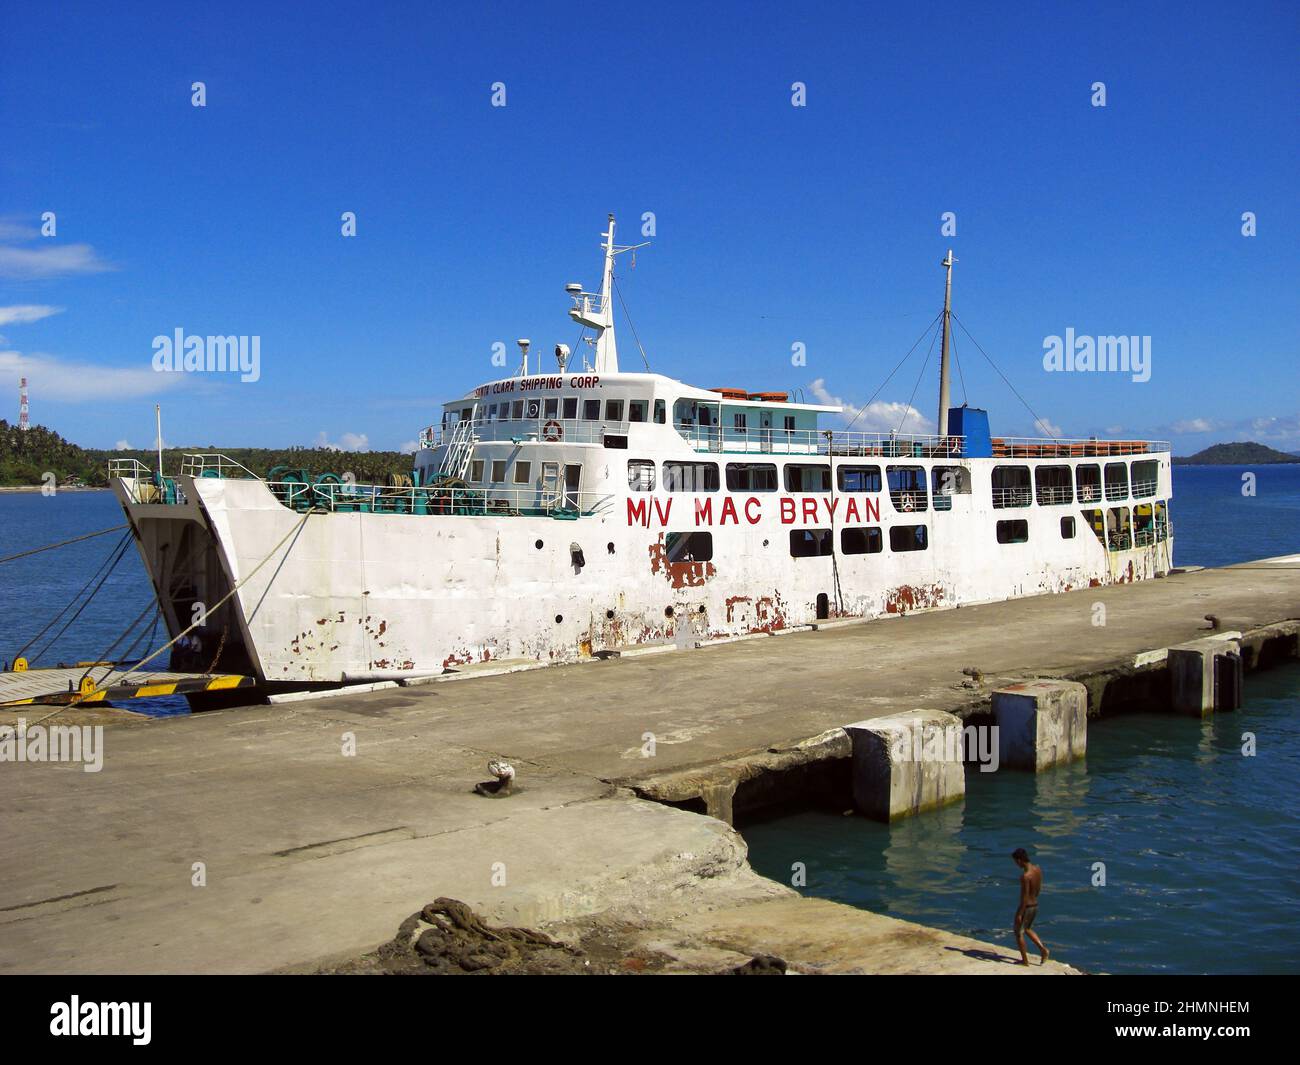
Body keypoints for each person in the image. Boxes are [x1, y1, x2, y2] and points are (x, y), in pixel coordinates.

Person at [1012, 848, 1050, 966]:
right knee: (1027, 928)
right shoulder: (1037, 869)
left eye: (1015, 862)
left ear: (1019, 860)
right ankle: (1043, 949)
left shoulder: (1025, 876)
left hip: (1026, 906)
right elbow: (1038, 888)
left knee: (1018, 932)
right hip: (1035, 904)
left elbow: (1024, 897)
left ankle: (1025, 961)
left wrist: (1019, 913)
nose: (1016, 864)